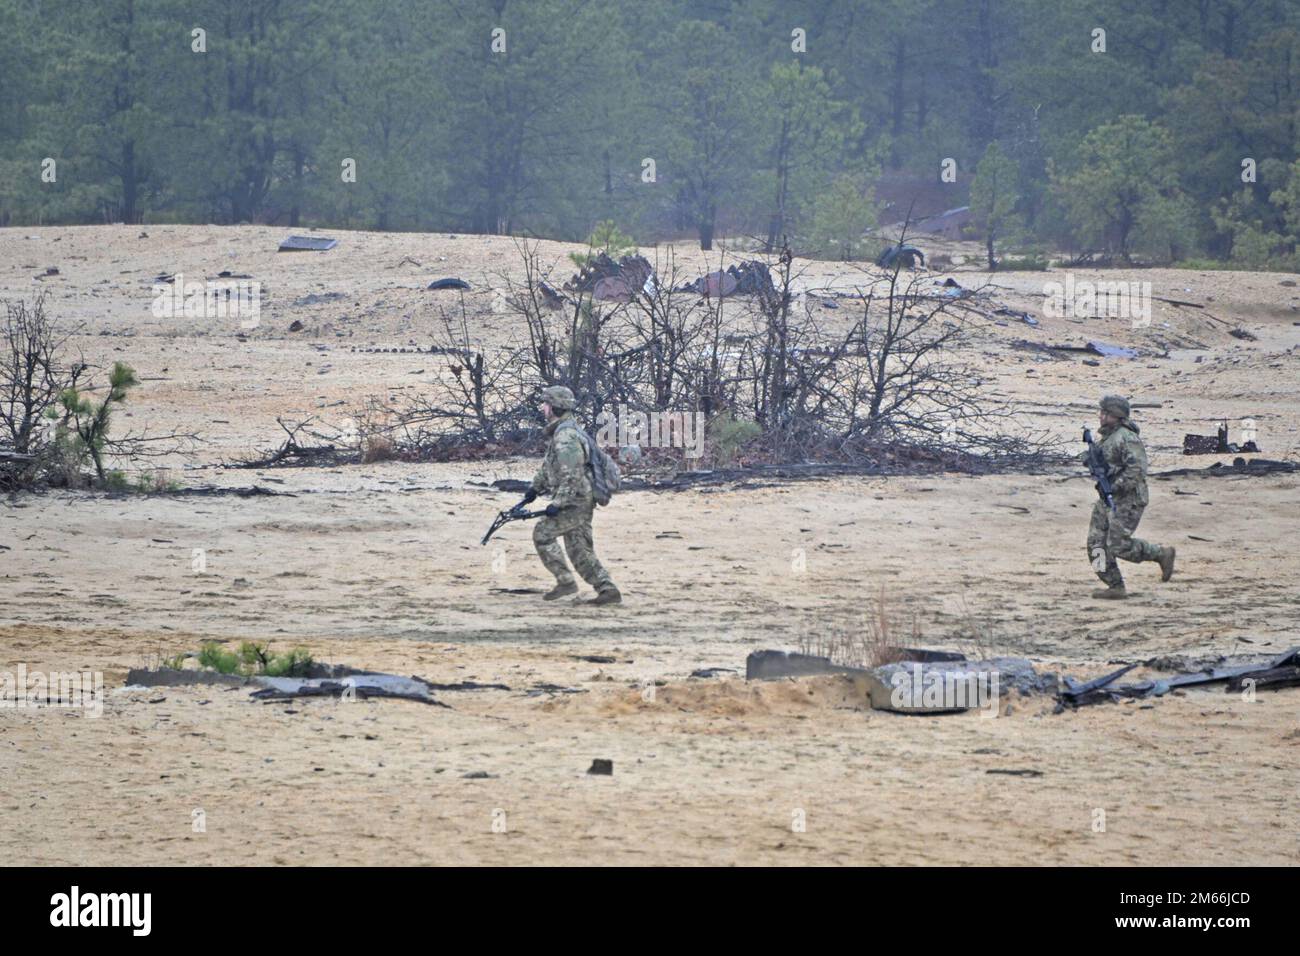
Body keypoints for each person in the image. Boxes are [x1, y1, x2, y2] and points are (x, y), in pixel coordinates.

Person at [523, 385, 621, 605]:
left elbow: (572, 474)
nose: (542, 408)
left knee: (542, 533)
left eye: (545, 404)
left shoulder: (566, 436)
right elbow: (550, 466)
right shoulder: (564, 431)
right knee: (579, 549)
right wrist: (534, 489)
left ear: (555, 407)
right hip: (579, 498)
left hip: (576, 500)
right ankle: (607, 589)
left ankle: (566, 581)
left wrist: (559, 502)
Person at [1085, 394, 1176, 599]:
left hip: (1127, 500)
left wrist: (1115, 486)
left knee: (1118, 545)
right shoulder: (1107, 437)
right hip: (1106, 498)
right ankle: (1114, 585)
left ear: (1116, 416)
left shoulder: (1127, 438)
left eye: (1106, 413)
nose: (1101, 417)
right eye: (1102, 412)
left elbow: (1137, 469)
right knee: (1095, 544)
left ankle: (1160, 554)